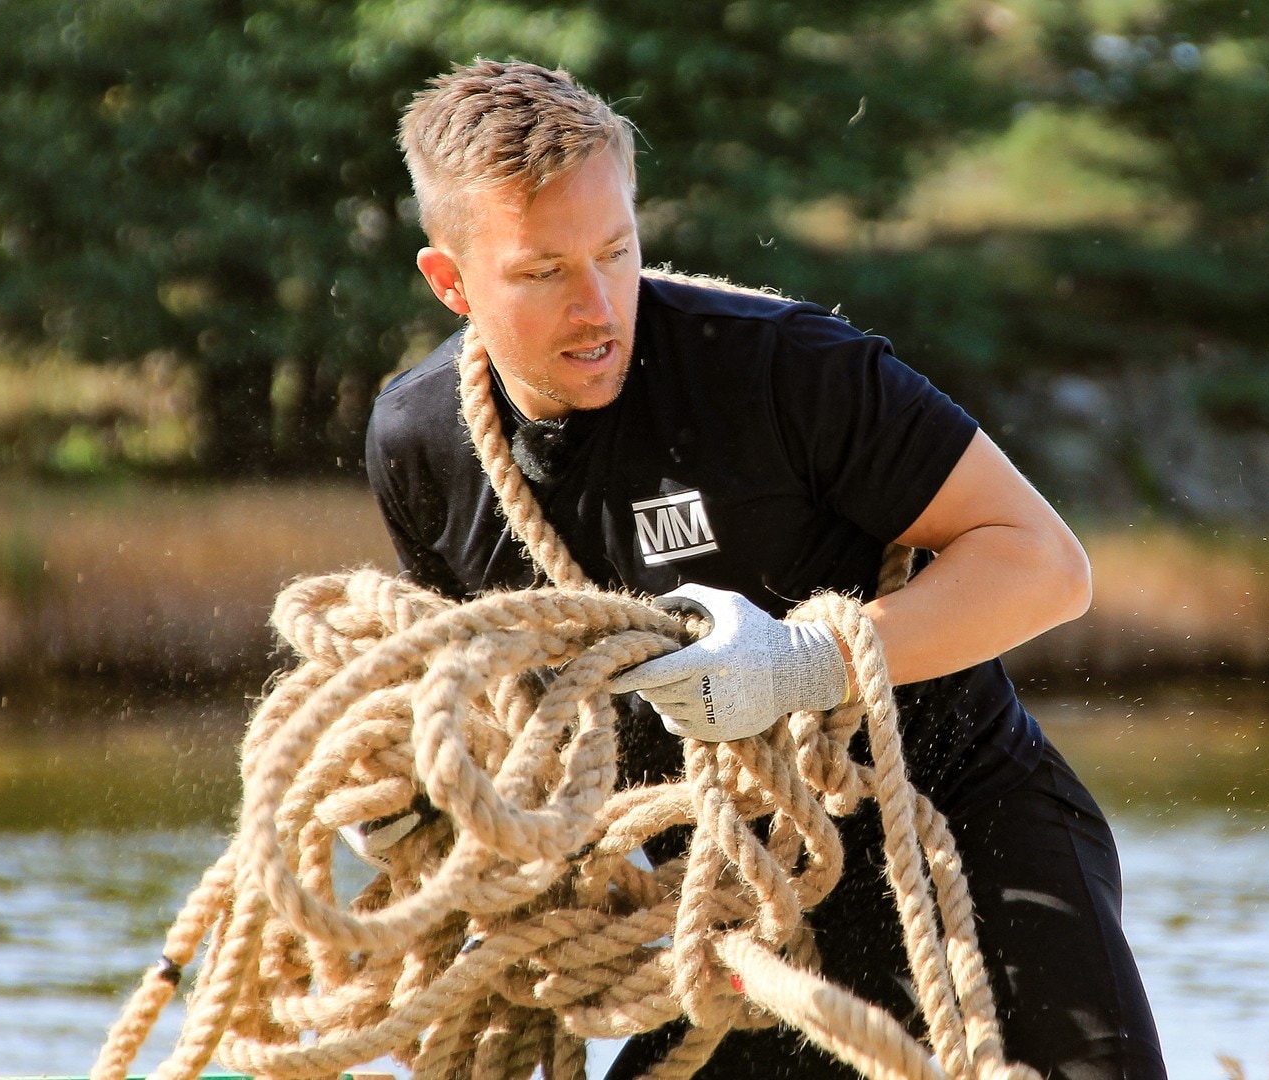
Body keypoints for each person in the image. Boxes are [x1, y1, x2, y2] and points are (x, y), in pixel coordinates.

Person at [364, 58, 1167, 1080]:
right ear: (451, 283)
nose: (598, 306)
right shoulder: (419, 444)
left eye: (617, 251)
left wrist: (804, 663)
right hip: (739, 910)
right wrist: (425, 806)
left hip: (973, 838)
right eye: (541, 272)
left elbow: (1045, 565)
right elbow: (489, 718)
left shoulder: (786, 369)